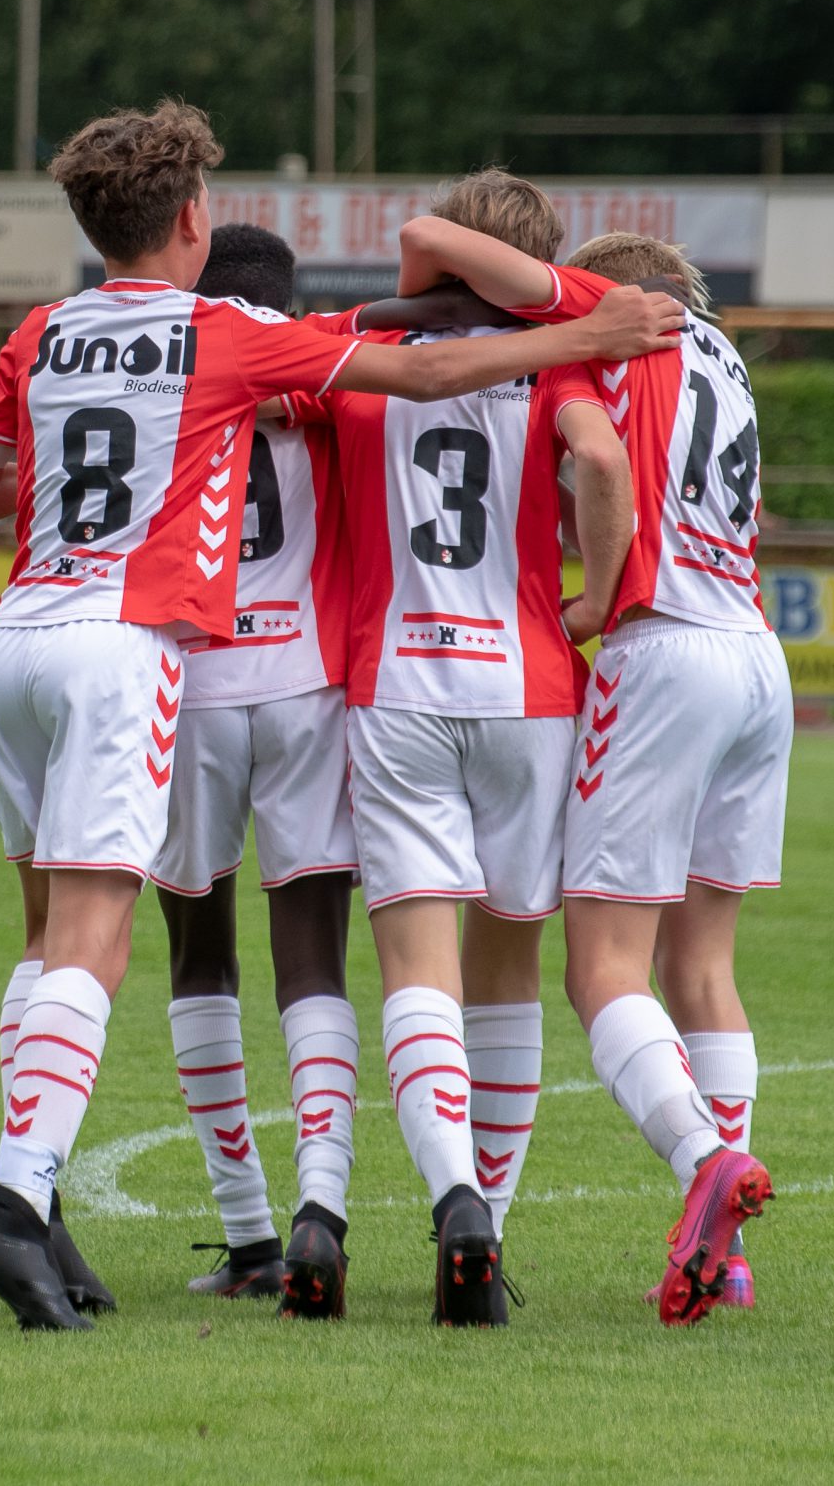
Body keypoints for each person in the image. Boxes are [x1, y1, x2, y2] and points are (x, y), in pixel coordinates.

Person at [0, 102, 680, 1332]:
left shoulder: (40, 328)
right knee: (117, 939)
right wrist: (583, 327)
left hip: (15, 643)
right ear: (190, 216)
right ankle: (30, 1197)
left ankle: (55, 1191)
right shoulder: (236, 337)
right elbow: (428, 363)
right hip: (178, 655)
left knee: (65, 934)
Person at [402, 221, 782, 1326]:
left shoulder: (614, 321)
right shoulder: (726, 355)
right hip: (756, 659)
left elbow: (439, 241)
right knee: (702, 964)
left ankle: (704, 1162)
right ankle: (730, 1247)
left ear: (616, 296)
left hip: (661, 647)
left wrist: (583, 607)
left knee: (602, 969)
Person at [276, 168, 636, 1326]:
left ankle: (453, 1197)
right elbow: (606, 466)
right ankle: (491, 1225)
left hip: (398, 684)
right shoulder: (558, 362)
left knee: (416, 970)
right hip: (529, 684)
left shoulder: (361, 355)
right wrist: (594, 597)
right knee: (507, 971)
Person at [160, 232, 525, 1318]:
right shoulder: (323, 354)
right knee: (309, 938)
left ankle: (249, 1229)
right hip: (312, 681)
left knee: (196, 940)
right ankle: (325, 1198)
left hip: (193, 676)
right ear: (290, 298)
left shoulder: (174, 358)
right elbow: (392, 340)